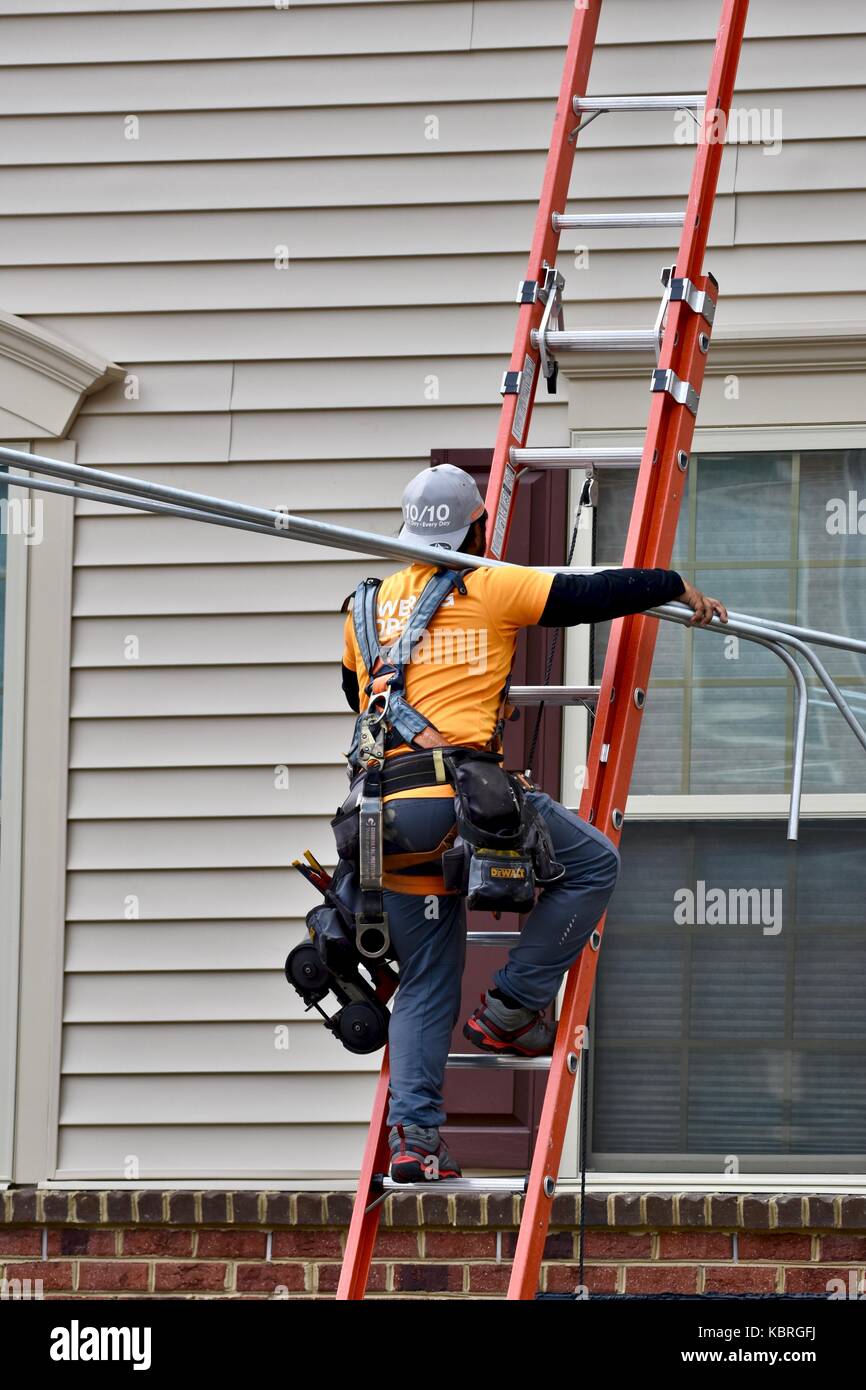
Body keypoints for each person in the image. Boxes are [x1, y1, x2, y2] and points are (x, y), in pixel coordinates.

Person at [340, 464, 728, 1183]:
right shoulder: (490, 582)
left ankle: (415, 1145)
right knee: (594, 865)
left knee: (425, 981)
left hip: (377, 821)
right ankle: (513, 1009)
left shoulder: (366, 604)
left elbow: (355, 695)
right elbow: (592, 593)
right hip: (457, 800)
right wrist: (671, 581)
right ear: (478, 526)